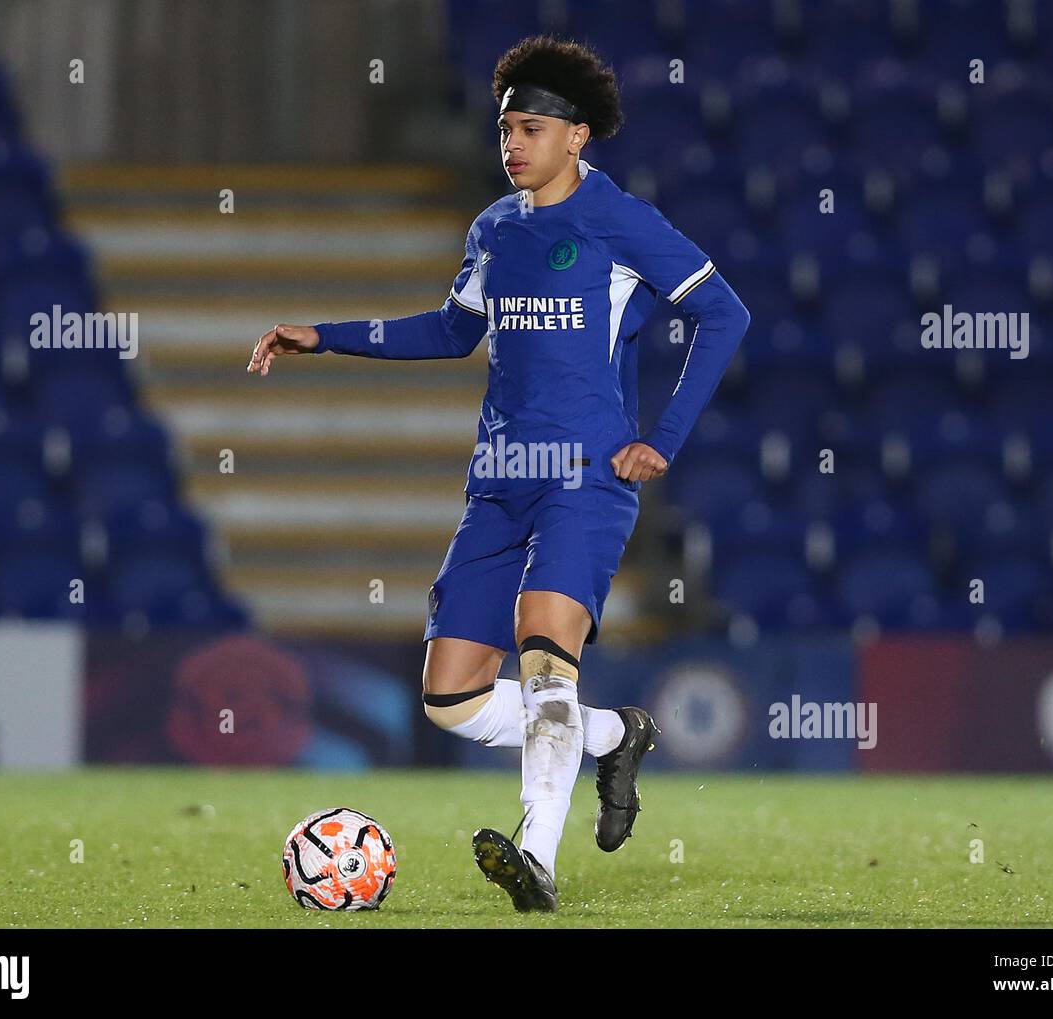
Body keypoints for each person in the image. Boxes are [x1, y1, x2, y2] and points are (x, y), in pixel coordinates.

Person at [247, 35, 751, 912]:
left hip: (583, 478)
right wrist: (323, 333)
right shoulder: (494, 227)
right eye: (504, 128)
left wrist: (662, 438)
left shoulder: (619, 222)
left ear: (576, 137)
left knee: (547, 654)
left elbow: (725, 311)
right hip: (498, 480)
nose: (511, 143)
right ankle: (613, 734)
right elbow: (451, 330)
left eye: (528, 128)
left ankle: (538, 857)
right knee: (451, 695)